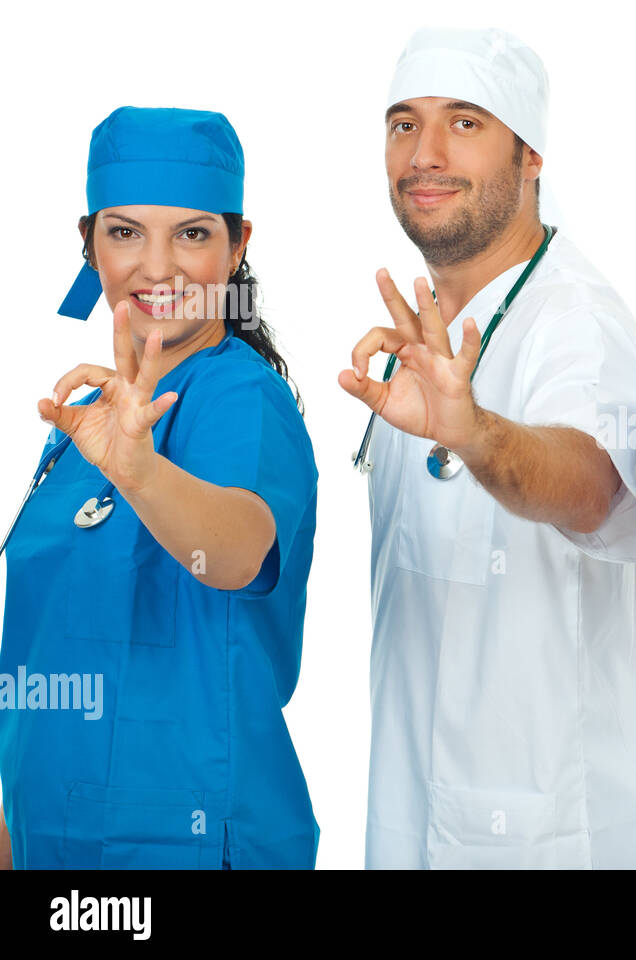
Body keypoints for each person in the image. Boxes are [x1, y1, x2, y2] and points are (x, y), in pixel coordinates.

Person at [340, 27, 636, 869]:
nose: (426, 155)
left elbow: (594, 485)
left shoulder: (576, 320)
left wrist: (476, 433)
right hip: (409, 815)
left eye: (466, 123)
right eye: (404, 124)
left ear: (531, 157)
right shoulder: (425, 339)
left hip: (547, 834)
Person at [0, 106, 318, 869]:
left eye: (194, 234)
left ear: (239, 245)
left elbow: (237, 550)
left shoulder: (239, 399)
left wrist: (141, 471)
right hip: (52, 841)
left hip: (185, 841)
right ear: (89, 247)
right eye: (124, 232)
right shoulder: (89, 421)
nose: (158, 267)